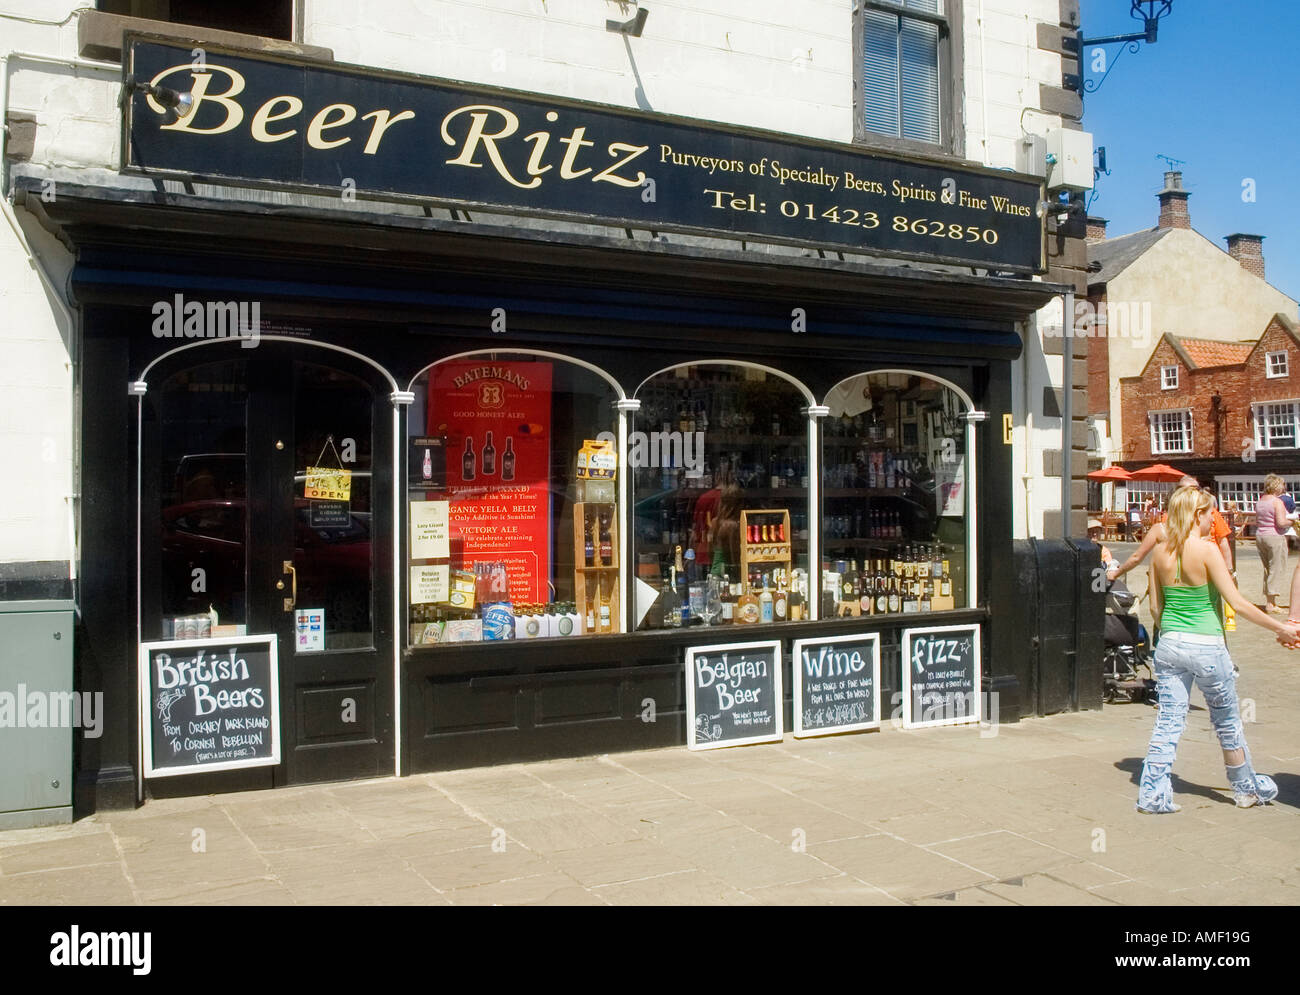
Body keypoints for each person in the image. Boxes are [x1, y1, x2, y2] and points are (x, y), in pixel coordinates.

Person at [1136, 485, 1297, 814]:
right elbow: (1235, 602)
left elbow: (1156, 608)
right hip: (1207, 645)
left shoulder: (1161, 552)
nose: (1214, 519)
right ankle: (1243, 789)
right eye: (1210, 513)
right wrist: (1281, 627)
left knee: (1168, 721)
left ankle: (1152, 794)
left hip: (1170, 643)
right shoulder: (1207, 550)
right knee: (1226, 721)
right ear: (1197, 515)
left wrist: (1171, 630)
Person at [1107, 478, 1231, 584]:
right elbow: (1137, 557)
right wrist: (1117, 573)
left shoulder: (1210, 514)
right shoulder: (1166, 521)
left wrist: (1229, 571)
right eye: (1191, 490)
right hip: (1178, 580)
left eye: (1197, 490)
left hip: (1207, 576)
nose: (1195, 493)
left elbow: (1223, 542)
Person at [1253, 474, 1290, 613]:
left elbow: (1258, 520)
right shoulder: (1277, 502)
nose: (1283, 488)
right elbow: (1281, 522)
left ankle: (1269, 601)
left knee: (1268, 569)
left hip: (1260, 535)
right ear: (1276, 486)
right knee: (1276, 568)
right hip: (1274, 536)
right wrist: (1293, 521)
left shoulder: (1261, 501)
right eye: (1282, 485)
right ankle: (1271, 604)